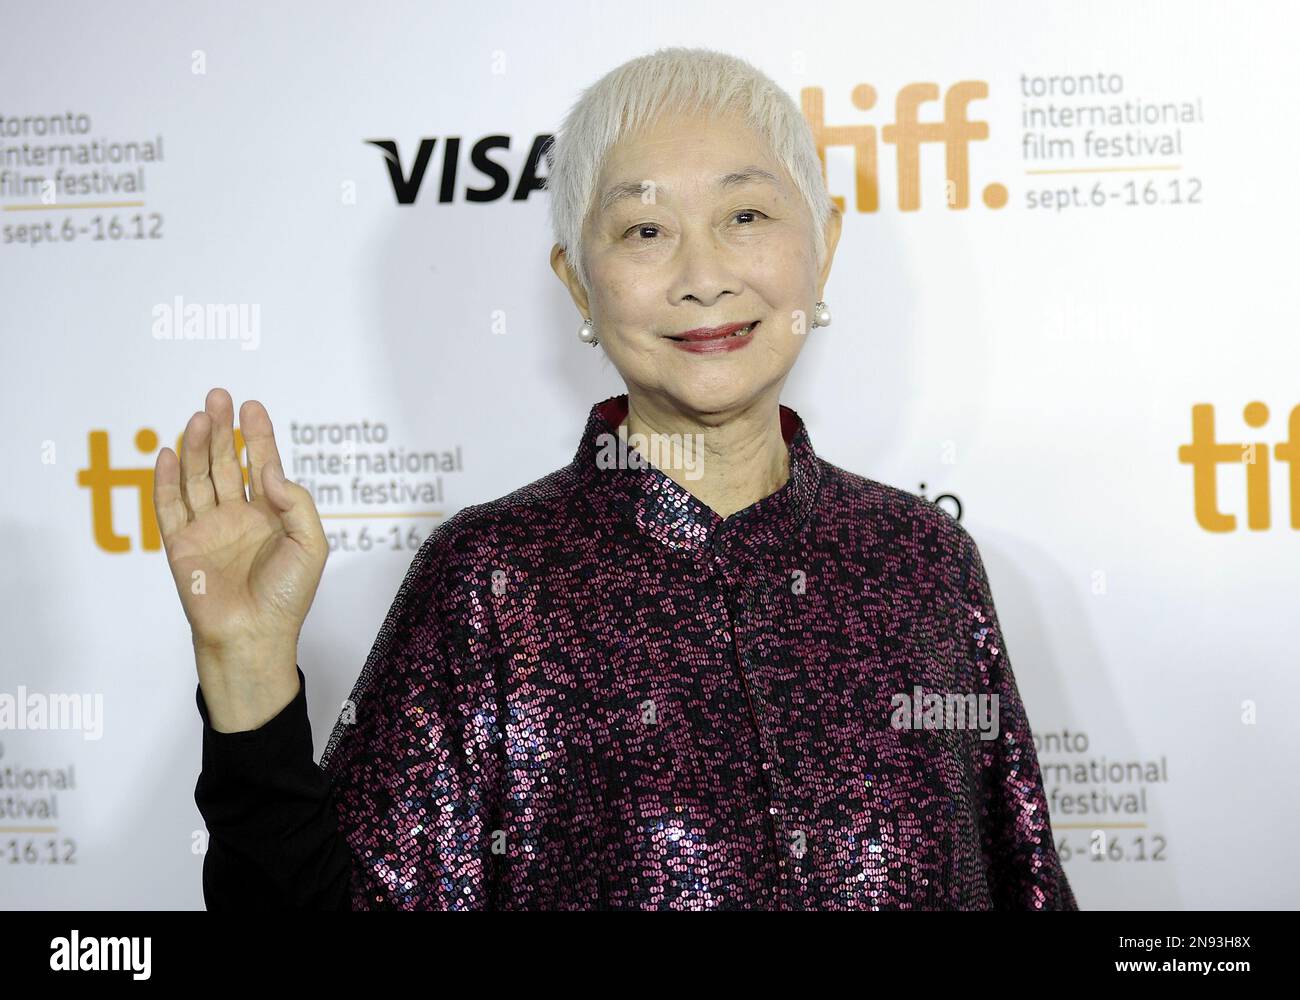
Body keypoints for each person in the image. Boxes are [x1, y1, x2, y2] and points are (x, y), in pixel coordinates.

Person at [157, 46, 1078, 910]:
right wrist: (246, 676)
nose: (703, 275)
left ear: (824, 246)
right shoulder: (489, 580)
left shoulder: (924, 564)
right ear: (577, 285)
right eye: (644, 229)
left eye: (746, 215)